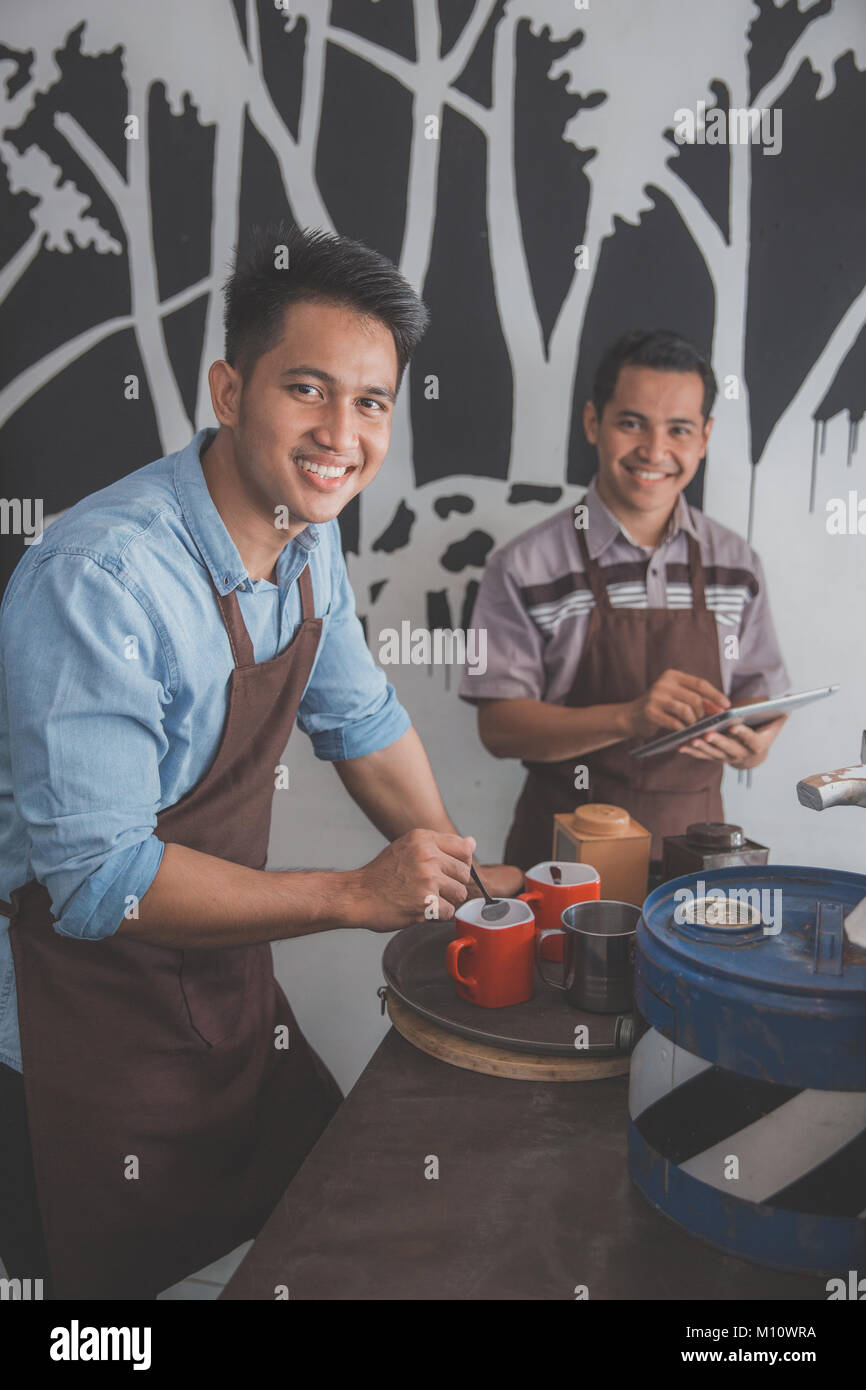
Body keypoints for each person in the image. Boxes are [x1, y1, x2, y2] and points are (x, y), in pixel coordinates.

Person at [0, 223, 519, 1300]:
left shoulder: (304, 528)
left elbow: (359, 715)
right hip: (67, 1040)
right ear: (229, 391)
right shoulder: (101, 579)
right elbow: (100, 884)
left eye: (371, 401)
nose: (343, 433)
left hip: (222, 997)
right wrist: (350, 892)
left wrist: (457, 869)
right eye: (308, 390)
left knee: (317, 1234)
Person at [459, 328, 790, 871]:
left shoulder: (738, 564)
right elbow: (499, 729)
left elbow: (762, 697)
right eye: (632, 423)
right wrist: (629, 717)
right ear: (594, 422)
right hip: (564, 861)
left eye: (678, 430)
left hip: (703, 860)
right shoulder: (522, 565)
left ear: (704, 438)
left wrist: (759, 739)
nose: (654, 452)